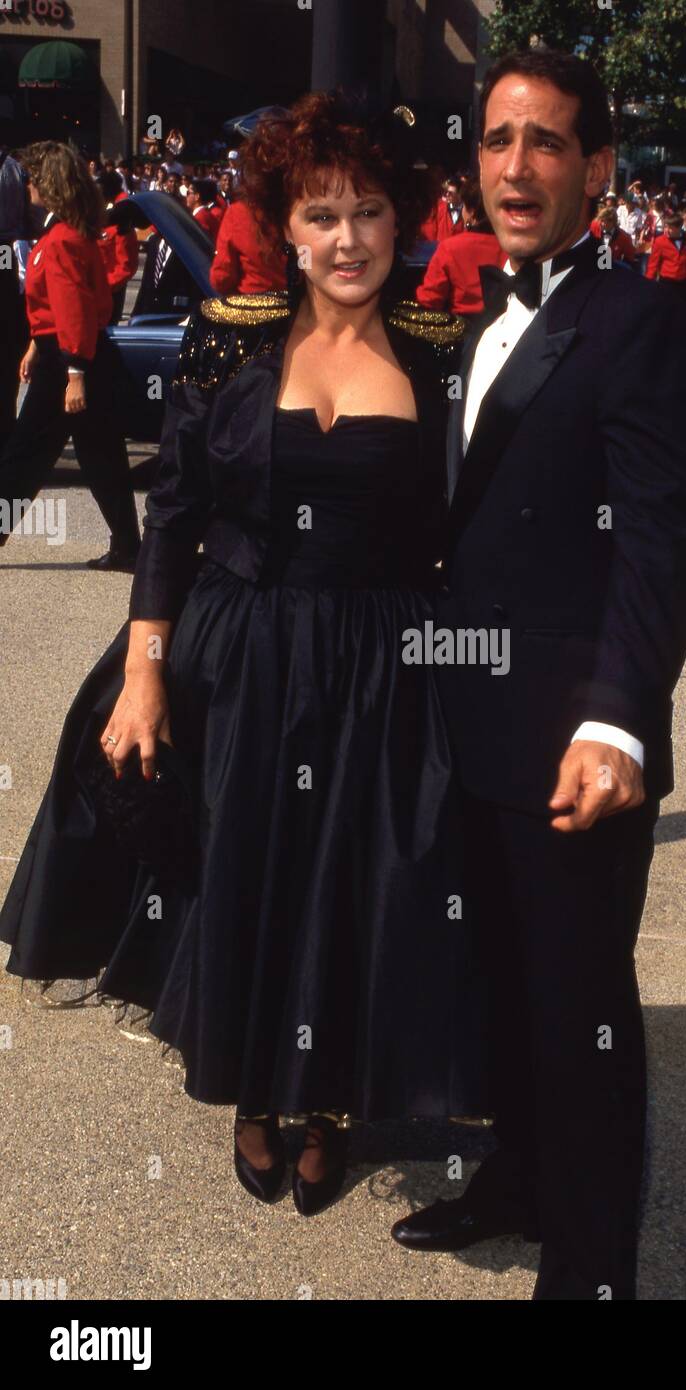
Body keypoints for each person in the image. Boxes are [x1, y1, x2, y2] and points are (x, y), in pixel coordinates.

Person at [0, 92, 487, 1215]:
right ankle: (255, 1092)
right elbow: (172, 515)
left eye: (370, 210)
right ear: (287, 223)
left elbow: (475, 532)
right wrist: (141, 670)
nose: (349, 237)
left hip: (378, 664)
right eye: (323, 213)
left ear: (402, 218)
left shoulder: (439, 352)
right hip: (240, 652)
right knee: (244, 870)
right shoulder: (229, 335)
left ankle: (325, 1106)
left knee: (345, 882)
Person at [390, 46, 686, 1301]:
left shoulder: (638, 319)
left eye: (544, 141)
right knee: (502, 983)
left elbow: (661, 532)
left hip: (573, 742)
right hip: (473, 721)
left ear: (595, 166)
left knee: (581, 1010)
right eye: (495, 138)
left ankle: (591, 1270)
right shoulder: (483, 316)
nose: (514, 164)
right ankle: (516, 1183)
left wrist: (622, 722)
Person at [0, 141, 141, 570]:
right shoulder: (71, 235)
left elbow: (74, 309)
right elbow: (76, 305)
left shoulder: (60, 240)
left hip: (67, 361)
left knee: (24, 456)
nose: (28, 186)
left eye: (34, 179)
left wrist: (73, 369)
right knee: (102, 455)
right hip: (68, 355)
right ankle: (128, 546)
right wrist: (35, 346)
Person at [415, 177, 501, 315]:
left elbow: (429, 299)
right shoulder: (512, 249)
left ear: (471, 211)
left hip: (463, 330)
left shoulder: (449, 248)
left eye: (464, 206)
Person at [0, 135, 31, 455]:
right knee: (7, 357)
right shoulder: (16, 170)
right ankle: (6, 429)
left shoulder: (14, 170)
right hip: (10, 260)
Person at [209, 193, 286, 295]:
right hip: (302, 304)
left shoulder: (238, 212)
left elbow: (221, 278)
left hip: (252, 303)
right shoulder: (299, 209)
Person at [96, 168, 139, 325]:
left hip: (110, 291)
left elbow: (126, 265)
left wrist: (106, 285)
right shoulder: (99, 214)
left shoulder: (120, 221)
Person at [645, 208, 686, 307]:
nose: (666, 230)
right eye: (665, 227)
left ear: (679, 227)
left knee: (684, 312)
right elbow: (653, 264)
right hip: (667, 282)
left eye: (670, 228)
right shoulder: (660, 241)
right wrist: (648, 283)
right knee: (666, 311)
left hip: (685, 282)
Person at [589, 201, 637, 267]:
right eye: (601, 220)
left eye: (606, 222)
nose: (602, 224)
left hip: (612, 267)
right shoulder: (594, 225)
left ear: (613, 223)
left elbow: (629, 258)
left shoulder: (625, 237)